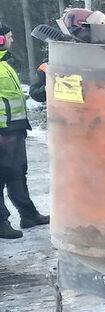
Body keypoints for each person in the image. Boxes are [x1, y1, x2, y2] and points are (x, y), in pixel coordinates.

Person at [0, 22, 49, 239]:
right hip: (2, 130)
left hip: (15, 129)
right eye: (9, 37)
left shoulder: (5, 65)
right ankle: (1, 223)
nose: (12, 40)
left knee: (17, 172)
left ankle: (28, 215)